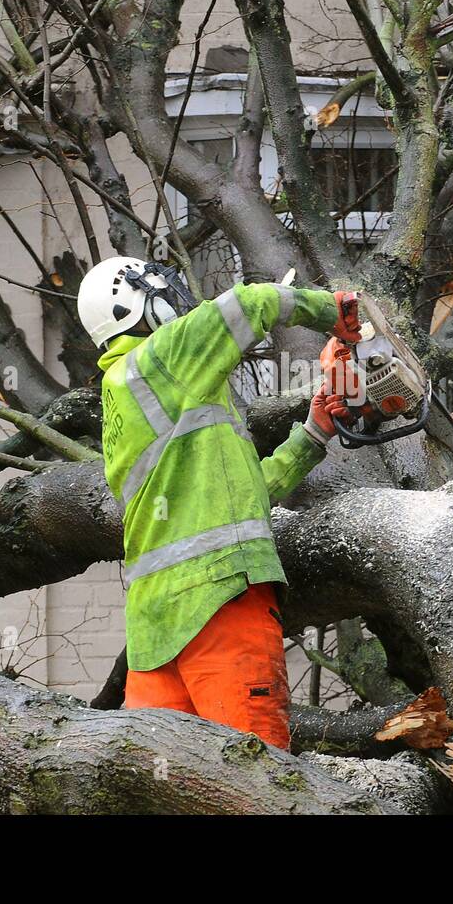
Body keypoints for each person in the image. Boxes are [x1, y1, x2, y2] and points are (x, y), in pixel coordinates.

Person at [77, 256, 361, 749]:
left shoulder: (124, 394)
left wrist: (314, 432)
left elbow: (245, 496)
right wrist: (332, 311)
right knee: (260, 783)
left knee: (172, 792)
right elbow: (253, 301)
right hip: (222, 603)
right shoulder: (163, 358)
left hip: (155, 635)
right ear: (134, 305)